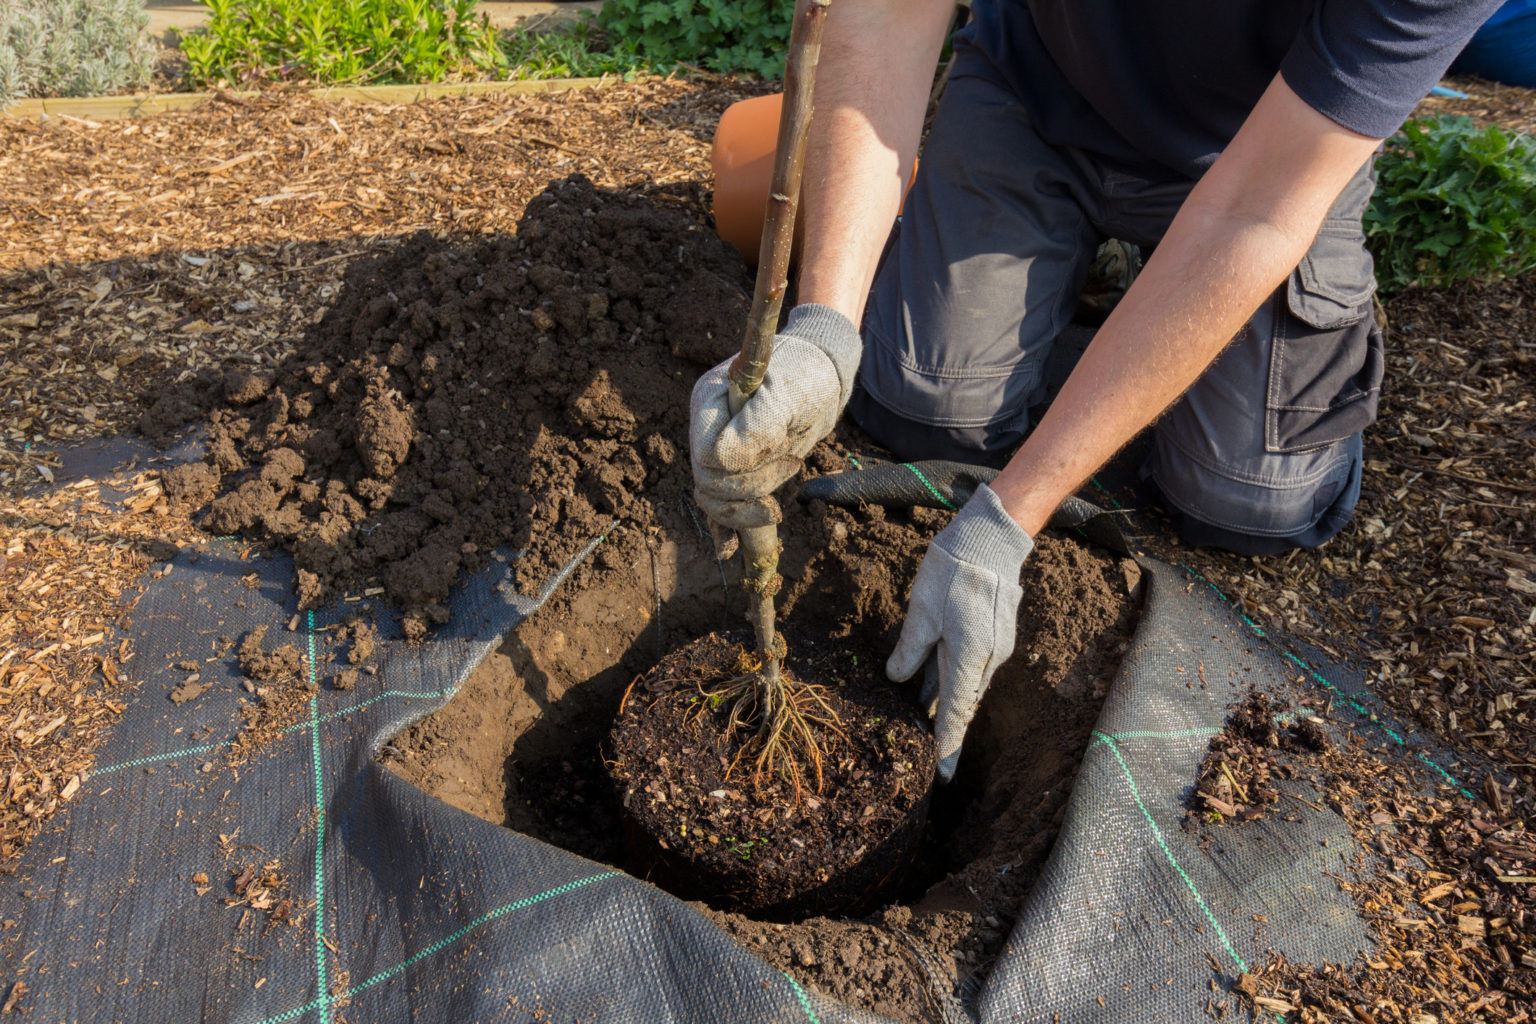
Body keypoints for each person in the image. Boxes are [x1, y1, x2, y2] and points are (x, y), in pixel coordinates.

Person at [690, 0, 1502, 780]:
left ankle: (1178, 315)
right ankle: (1094, 275)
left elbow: (1256, 208)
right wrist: (826, 326)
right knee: (922, 408)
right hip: (1041, 94)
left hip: (1268, 154)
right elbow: (888, 11)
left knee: (1247, 501)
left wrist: (1013, 515)